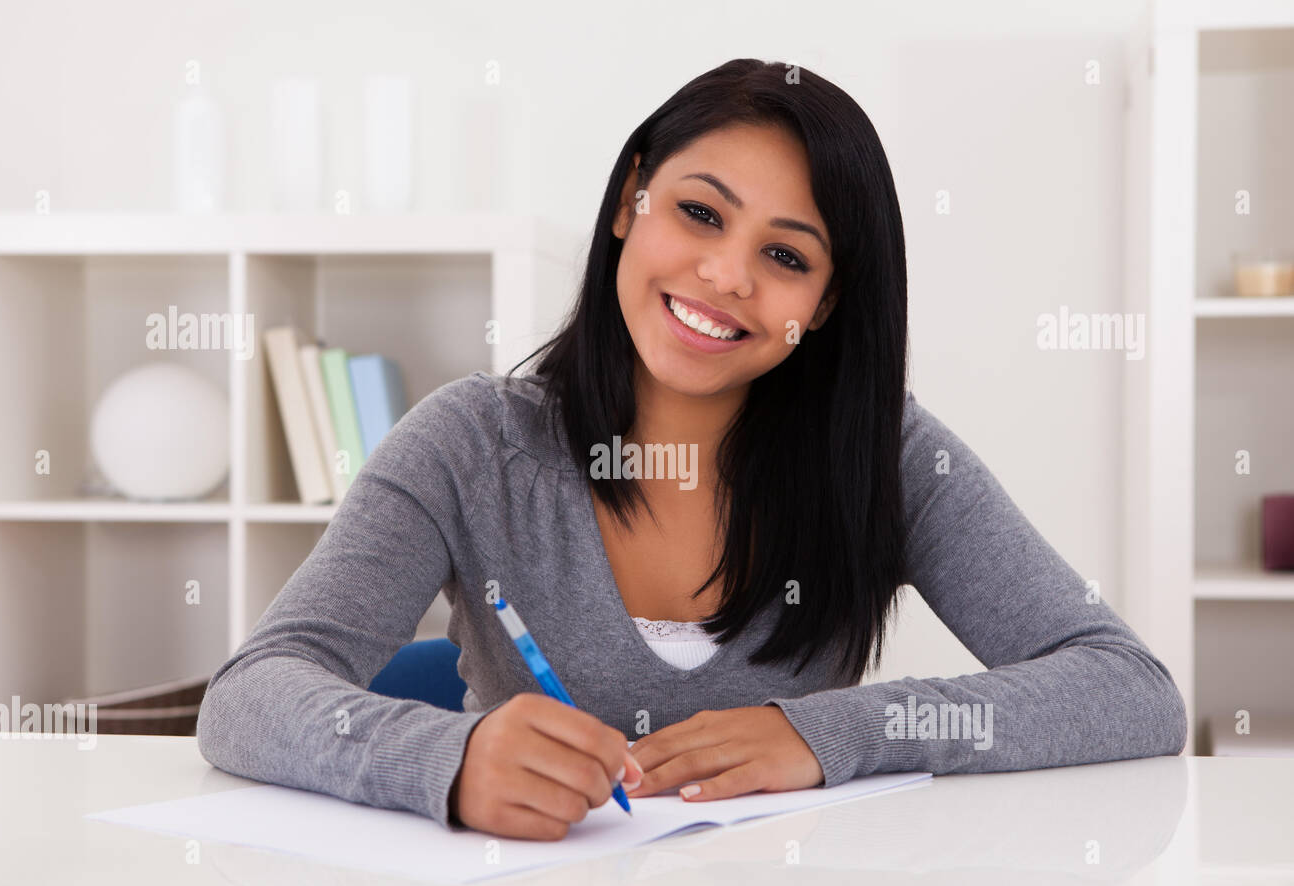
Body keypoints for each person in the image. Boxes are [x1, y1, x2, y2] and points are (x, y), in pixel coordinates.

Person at [198, 59, 1187, 842]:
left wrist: (830, 731)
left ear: (825, 304)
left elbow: (1129, 692)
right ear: (630, 198)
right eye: (700, 213)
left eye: (786, 256)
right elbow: (252, 695)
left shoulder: (887, 457)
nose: (725, 276)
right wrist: (447, 759)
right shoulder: (469, 445)